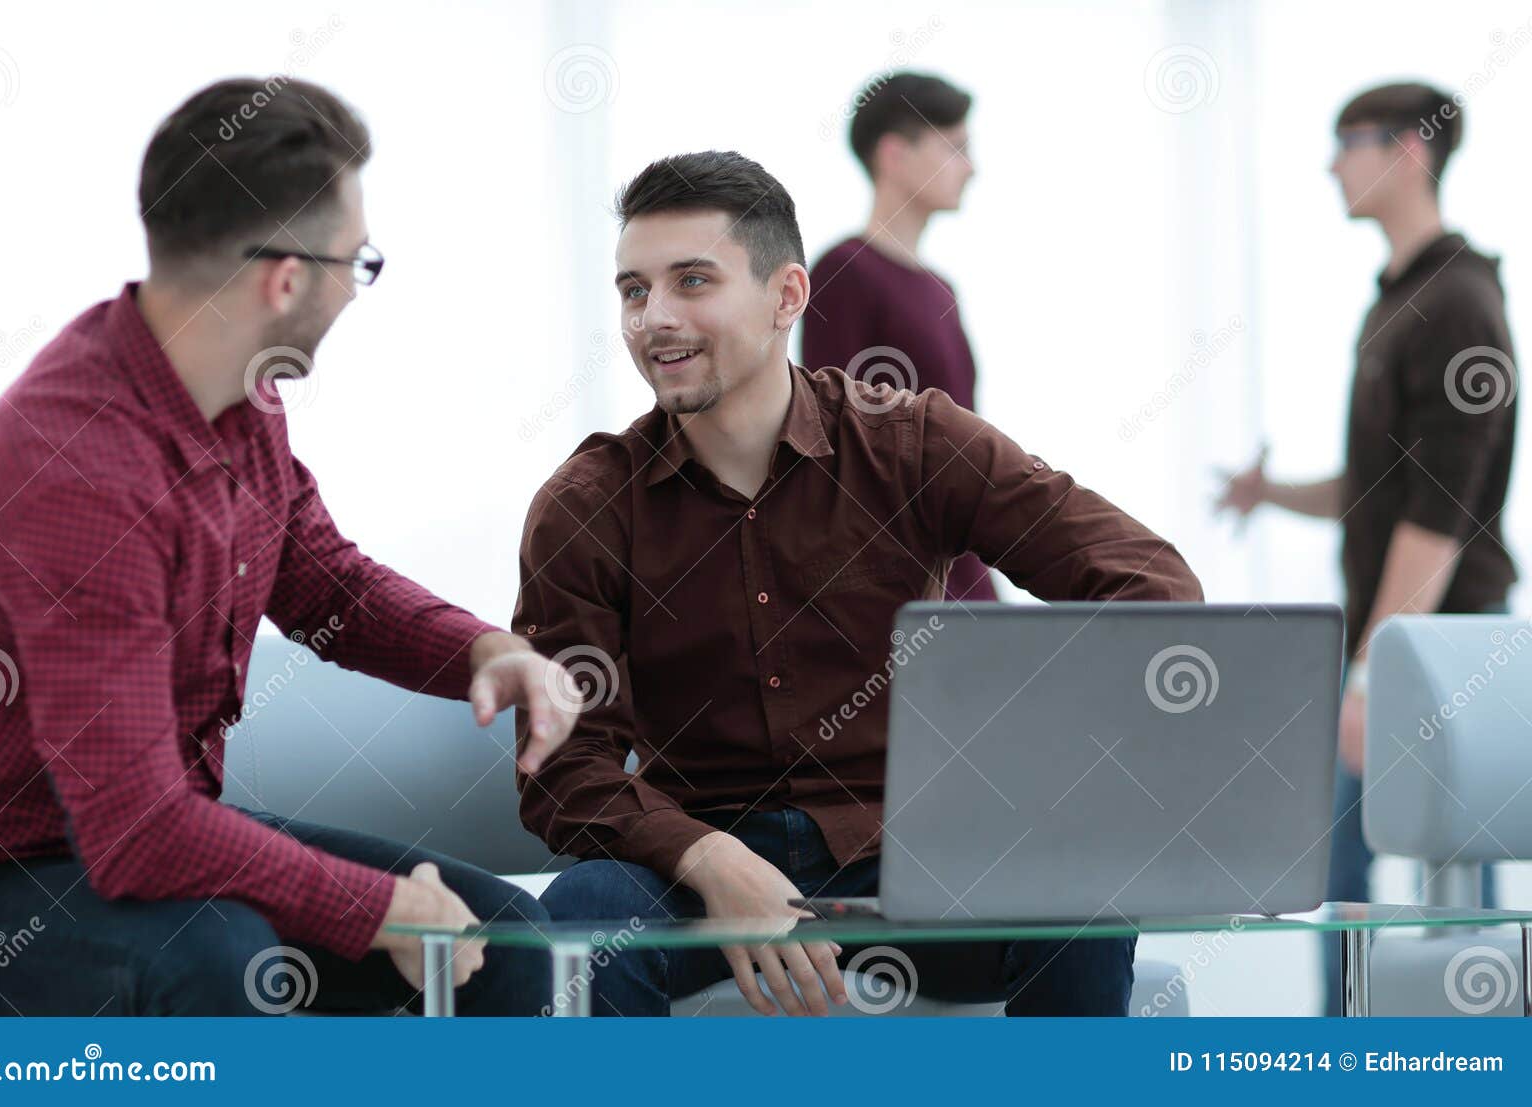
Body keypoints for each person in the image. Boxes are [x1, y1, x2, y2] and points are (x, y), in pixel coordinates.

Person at [0, 78, 579, 1016]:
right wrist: (378, 907)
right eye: (357, 265)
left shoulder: (243, 397)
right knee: (227, 956)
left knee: (505, 936)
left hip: (148, 829)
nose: (356, 292)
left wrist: (489, 651)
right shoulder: (78, 467)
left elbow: (325, 587)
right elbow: (138, 832)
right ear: (287, 279)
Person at [515, 150, 1203, 1017]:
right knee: (583, 913)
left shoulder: (912, 443)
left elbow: (1148, 585)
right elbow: (562, 768)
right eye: (633, 290)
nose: (655, 318)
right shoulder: (585, 506)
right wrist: (706, 858)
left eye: (693, 281)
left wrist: (1034, 769)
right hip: (694, 869)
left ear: (788, 296)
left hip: (919, 861)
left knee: (1076, 886)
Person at [1214, 82, 1516, 1016]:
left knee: (1451, 882)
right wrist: (1270, 494)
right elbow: (1374, 491)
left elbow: (1442, 509)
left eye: (1349, 142)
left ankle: (1451, 1055)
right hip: (1407, 641)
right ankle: (1349, 1043)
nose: (1332, 163)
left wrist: (1369, 676)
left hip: (1445, 646)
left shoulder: (1458, 302)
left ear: (1409, 152)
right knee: (1355, 858)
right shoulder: (1402, 299)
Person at [803, 72, 997, 602]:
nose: (971, 167)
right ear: (894, 154)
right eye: (955, 147)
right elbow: (831, 440)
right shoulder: (844, 272)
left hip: (962, 553)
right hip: (895, 574)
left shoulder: (941, 290)